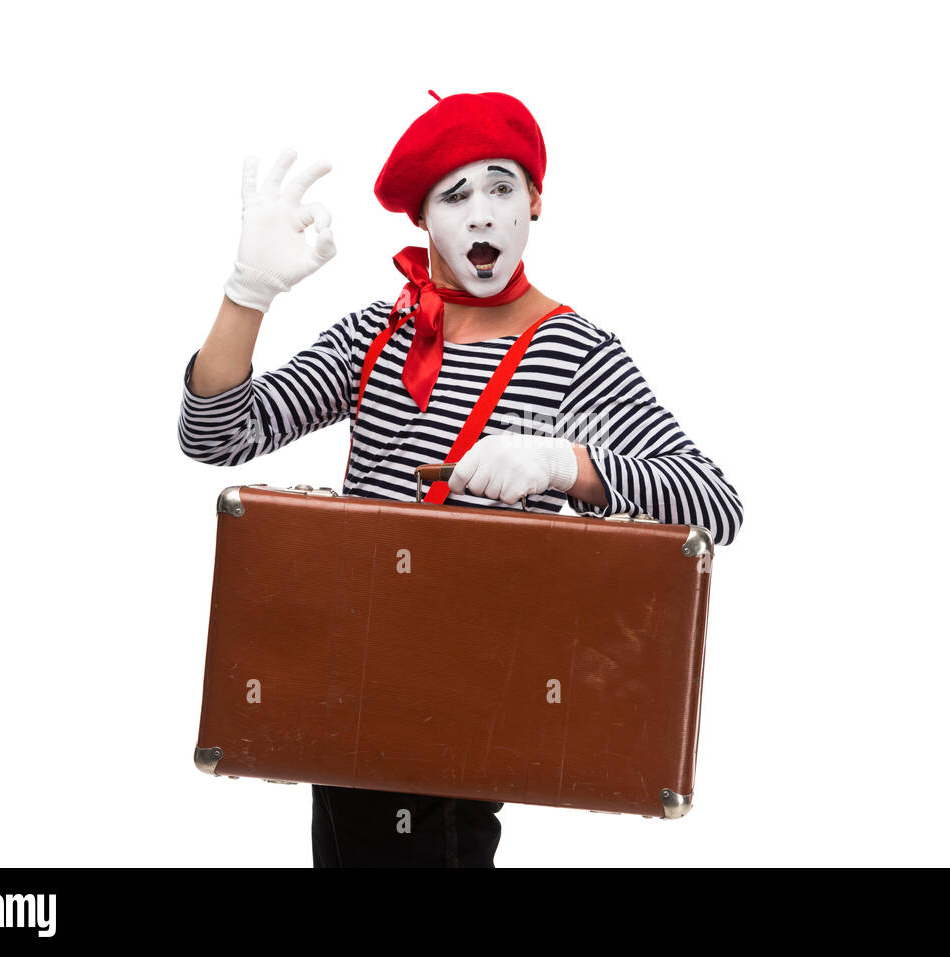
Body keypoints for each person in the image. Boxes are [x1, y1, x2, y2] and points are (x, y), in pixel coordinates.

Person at [179, 90, 744, 867]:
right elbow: (215, 432)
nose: (481, 215)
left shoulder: (578, 355)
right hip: (349, 697)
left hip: (461, 702)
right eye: (456, 194)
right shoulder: (374, 339)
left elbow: (714, 502)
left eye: (501, 187)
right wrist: (248, 293)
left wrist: (565, 464)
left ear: (535, 201)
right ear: (423, 219)